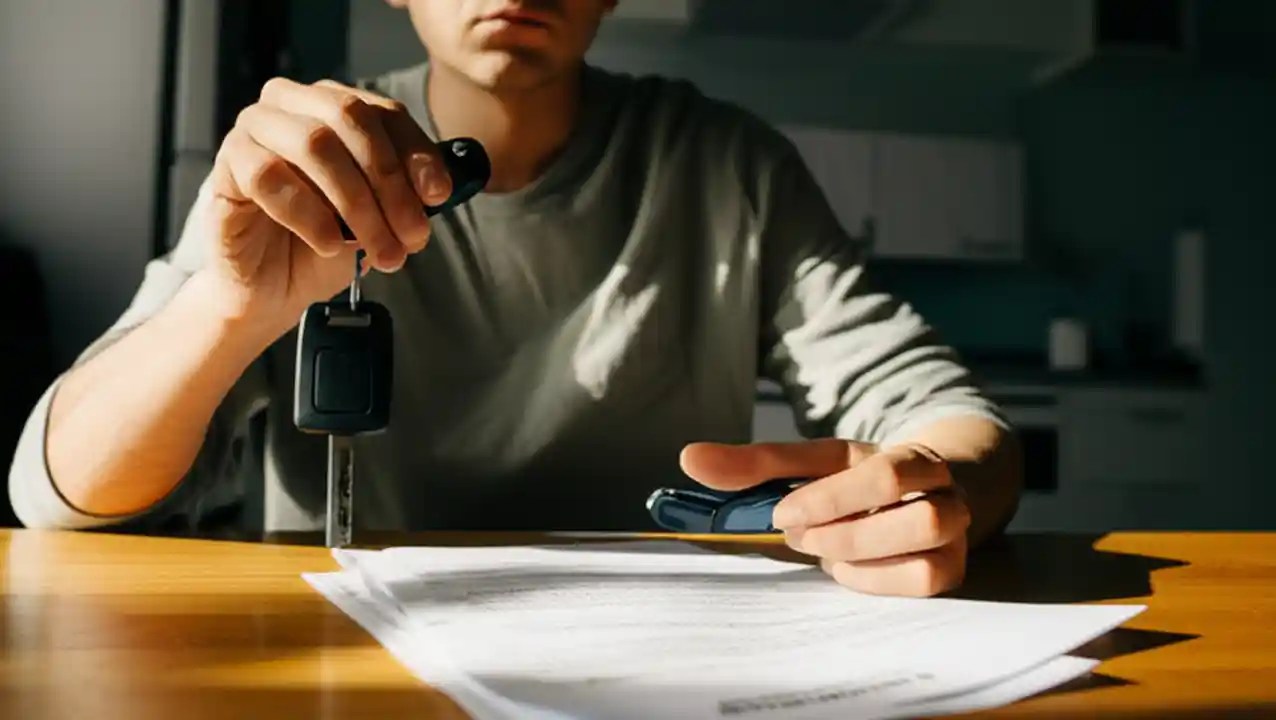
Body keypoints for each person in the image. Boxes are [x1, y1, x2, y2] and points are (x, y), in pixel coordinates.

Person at [8, 0, 1021, 597]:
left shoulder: (725, 163)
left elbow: (939, 416)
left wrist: (940, 493)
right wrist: (227, 307)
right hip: (344, 662)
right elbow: (57, 493)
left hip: (654, 665)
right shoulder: (297, 164)